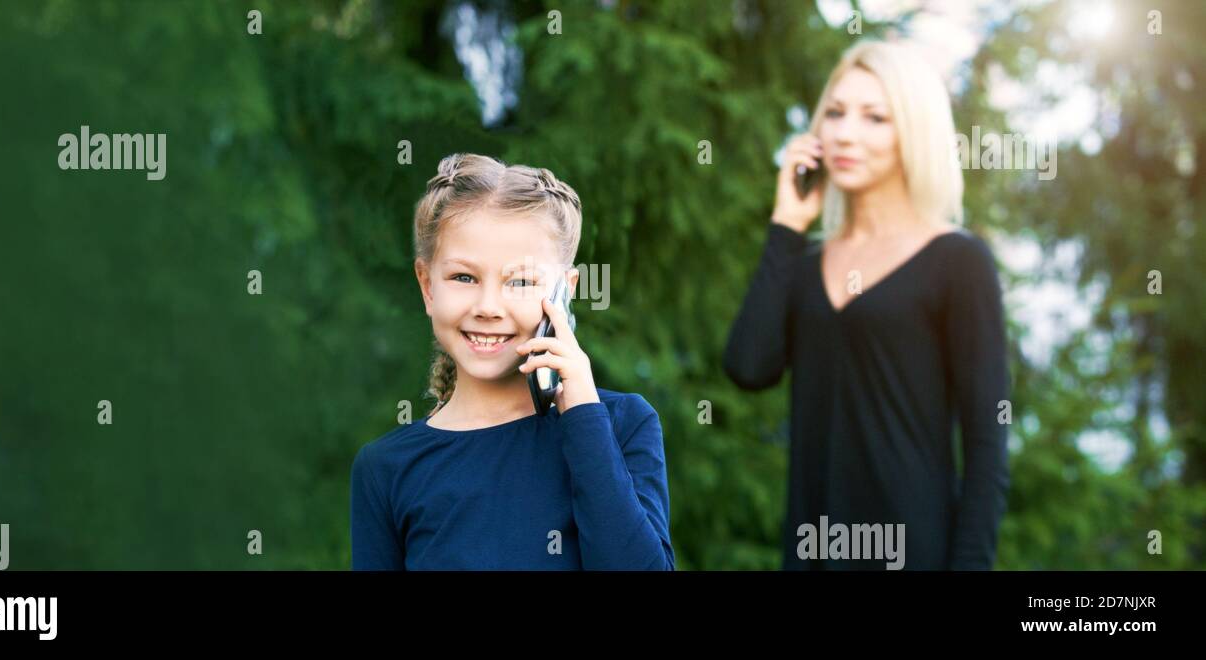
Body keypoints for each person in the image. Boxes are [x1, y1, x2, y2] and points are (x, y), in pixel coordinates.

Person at [724, 41, 1011, 570]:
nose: (845, 133)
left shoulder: (958, 261)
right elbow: (748, 366)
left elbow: (988, 446)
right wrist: (787, 225)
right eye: (834, 113)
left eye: (875, 117)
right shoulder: (806, 266)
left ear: (913, 132)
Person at [351, 153, 674, 570]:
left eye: (520, 281)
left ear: (565, 292)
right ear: (427, 287)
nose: (488, 307)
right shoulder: (386, 469)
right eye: (464, 278)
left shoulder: (622, 425)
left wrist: (584, 417)